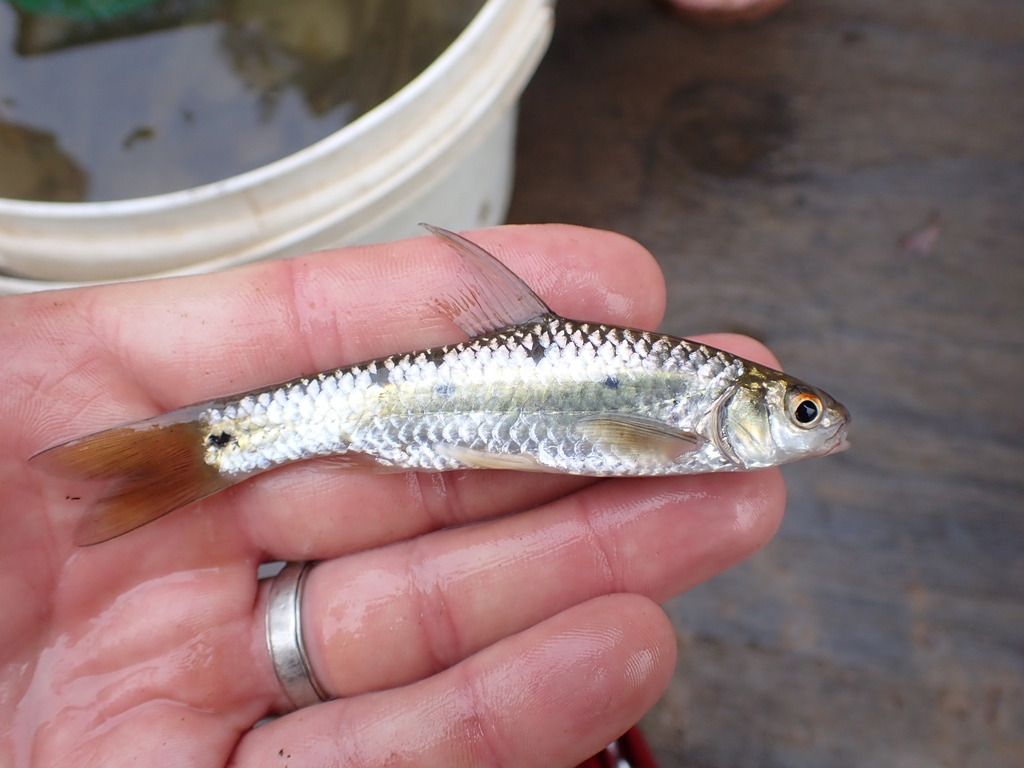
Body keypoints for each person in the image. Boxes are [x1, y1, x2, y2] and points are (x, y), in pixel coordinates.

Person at [0, 224, 785, 767]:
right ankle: (211, 446)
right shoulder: (699, 406)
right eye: (800, 416)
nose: (809, 427)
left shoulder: (699, 399)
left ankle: (205, 448)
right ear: (743, 406)